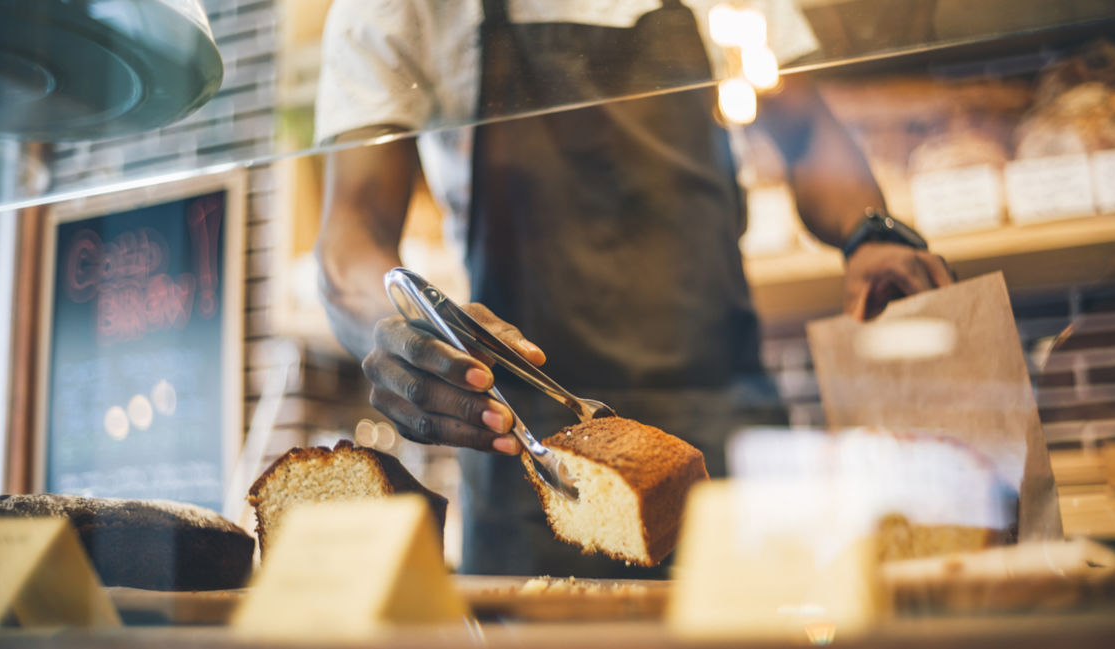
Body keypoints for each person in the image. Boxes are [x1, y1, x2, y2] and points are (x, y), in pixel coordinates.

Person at [313, 0, 953, 577]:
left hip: (726, 429)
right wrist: (392, 326)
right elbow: (353, 233)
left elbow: (806, 132)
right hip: (534, 463)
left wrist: (870, 233)